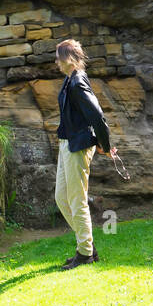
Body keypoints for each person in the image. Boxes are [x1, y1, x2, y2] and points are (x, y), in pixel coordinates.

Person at [53, 39, 117, 269]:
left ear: (69, 58)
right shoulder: (69, 80)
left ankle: (85, 253)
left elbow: (97, 116)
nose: (56, 61)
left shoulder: (77, 81)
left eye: (59, 57)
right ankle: (86, 245)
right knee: (62, 198)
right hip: (67, 144)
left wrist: (105, 145)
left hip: (78, 146)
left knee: (76, 200)